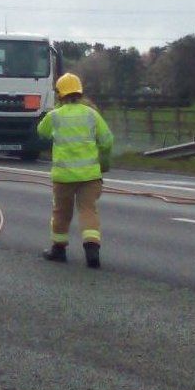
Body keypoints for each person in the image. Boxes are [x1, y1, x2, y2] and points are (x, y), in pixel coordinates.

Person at [36, 72, 113, 268]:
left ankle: (59, 249)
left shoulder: (55, 116)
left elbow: (41, 132)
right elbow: (107, 141)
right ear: (80, 92)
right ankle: (92, 250)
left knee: (61, 212)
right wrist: (103, 161)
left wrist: (56, 111)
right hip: (90, 176)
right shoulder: (91, 114)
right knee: (88, 210)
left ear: (60, 94)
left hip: (63, 178)